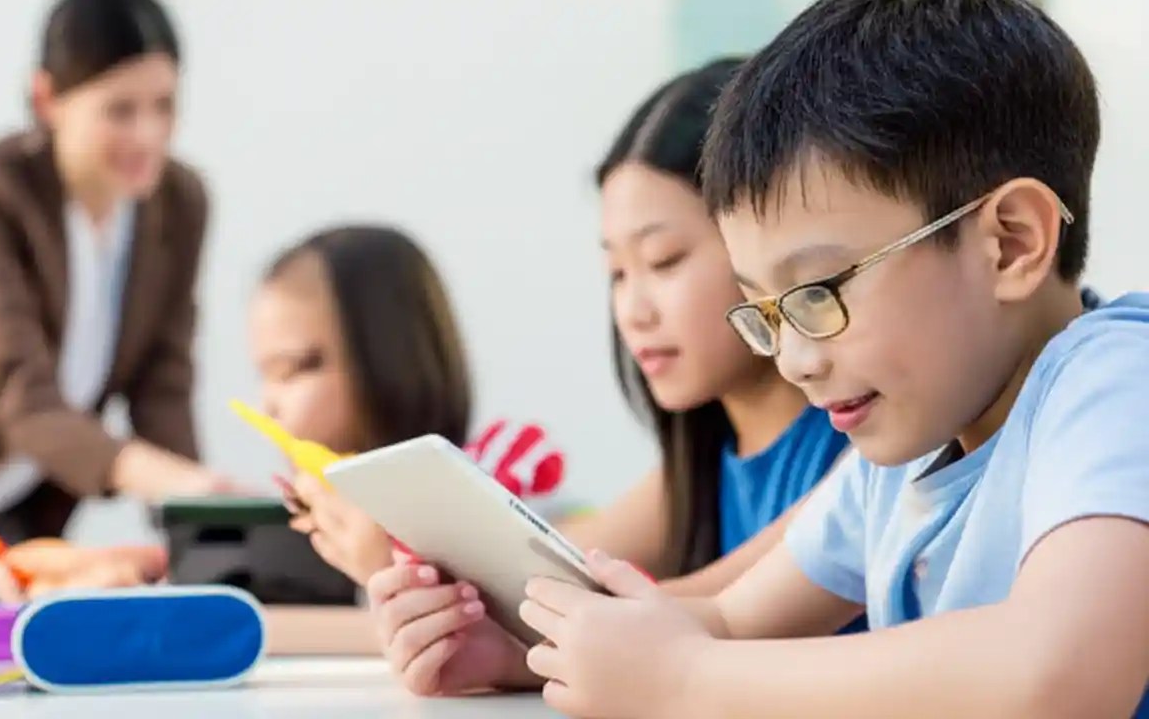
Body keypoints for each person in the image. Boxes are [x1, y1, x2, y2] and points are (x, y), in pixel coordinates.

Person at [390, 0, 1149, 717]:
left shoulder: (1115, 380)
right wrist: (529, 652)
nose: (793, 360)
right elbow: (728, 621)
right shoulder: (902, 459)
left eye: (817, 294)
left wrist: (684, 679)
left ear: (1010, 242)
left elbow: (1061, 673)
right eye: (765, 313)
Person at [367, 56, 863, 695]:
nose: (633, 310)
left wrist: (516, 638)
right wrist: (467, 623)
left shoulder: (866, 445)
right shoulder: (696, 466)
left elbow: (719, 610)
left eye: (665, 260)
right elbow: (562, 577)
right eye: (617, 274)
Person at [0, 226, 582, 645]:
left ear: (390, 359)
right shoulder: (302, 521)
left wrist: (381, 568)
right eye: (263, 374)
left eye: (296, 368)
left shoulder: (500, 502)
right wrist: (131, 581)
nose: (269, 403)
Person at [0, 0, 234, 608]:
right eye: (120, 110)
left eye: (164, 105)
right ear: (48, 100)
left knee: (7, 660)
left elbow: (163, 388)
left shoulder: (180, 204)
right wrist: (171, 481)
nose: (148, 134)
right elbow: (17, 392)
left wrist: (200, 526)